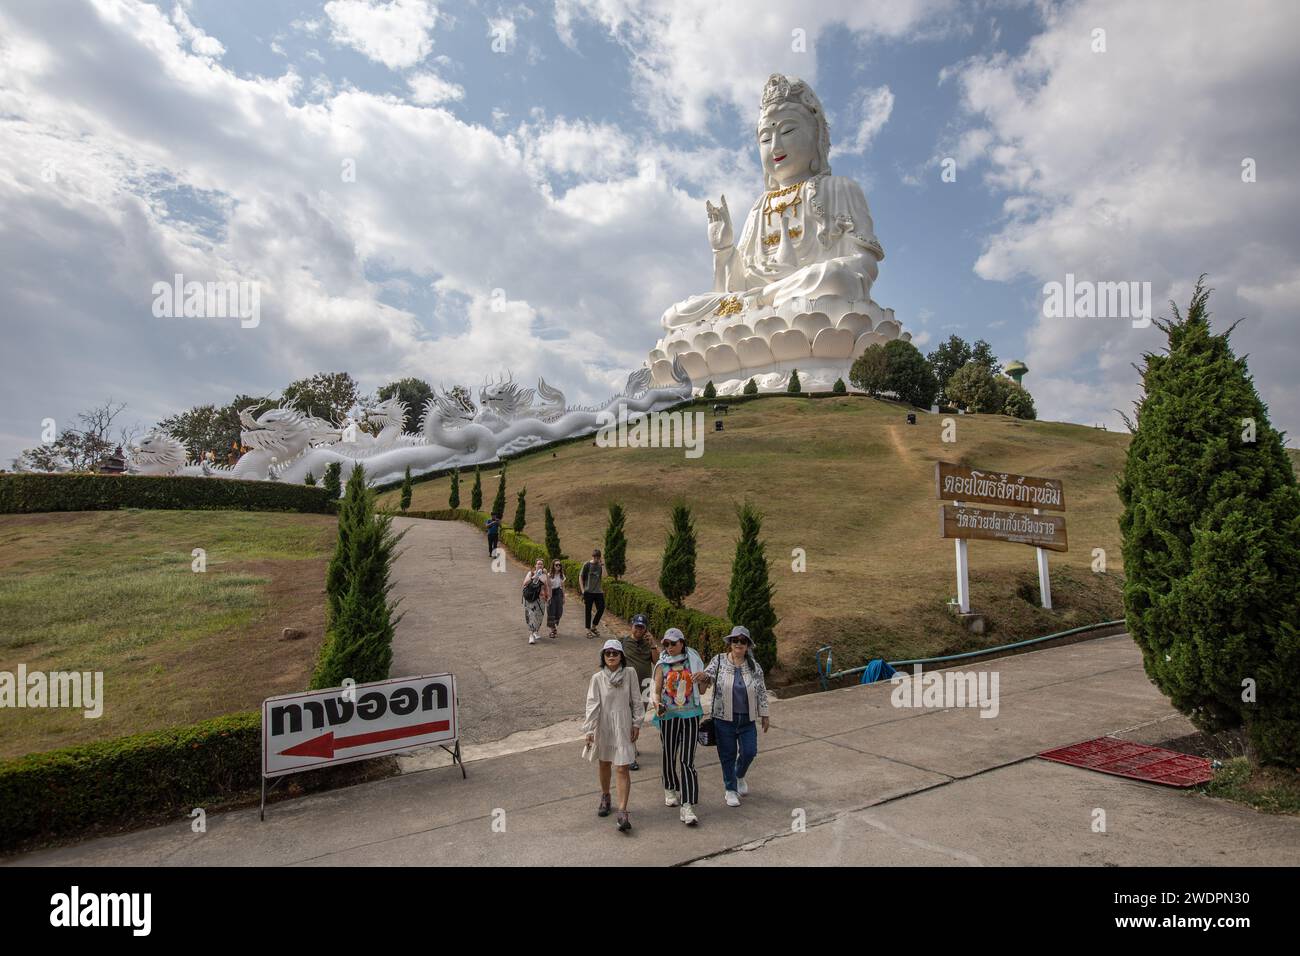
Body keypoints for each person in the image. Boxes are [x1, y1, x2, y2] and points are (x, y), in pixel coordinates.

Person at [703, 625, 770, 807]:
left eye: (742, 641)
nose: (738, 644)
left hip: (747, 719)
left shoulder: (754, 666)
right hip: (723, 718)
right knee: (728, 754)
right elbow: (707, 676)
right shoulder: (719, 661)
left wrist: (764, 714)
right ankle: (730, 789)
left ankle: (739, 774)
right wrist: (702, 677)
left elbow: (762, 691)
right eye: (735, 641)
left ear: (748, 645)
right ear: (730, 644)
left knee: (749, 751)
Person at [583, 639, 644, 833]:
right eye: (607, 653)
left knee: (622, 767)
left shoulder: (630, 674)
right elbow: (592, 705)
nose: (611, 656)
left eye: (615, 653)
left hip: (623, 724)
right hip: (604, 725)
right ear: (603, 656)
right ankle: (605, 795)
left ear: (621, 656)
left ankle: (623, 810)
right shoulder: (597, 678)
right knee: (604, 763)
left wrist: (637, 723)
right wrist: (589, 730)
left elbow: (636, 699)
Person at [652, 627, 708, 825]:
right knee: (669, 752)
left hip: (691, 715)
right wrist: (656, 703)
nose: (669, 647)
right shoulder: (661, 664)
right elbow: (656, 690)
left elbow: (701, 691)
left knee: (687, 759)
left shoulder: (693, 661)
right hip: (669, 716)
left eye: (673, 643)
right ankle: (669, 786)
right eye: (665, 644)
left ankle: (687, 805)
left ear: (682, 643)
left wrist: (704, 679)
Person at [620, 613, 658, 771]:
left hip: (645, 686)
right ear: (632, 626)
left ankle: (632, 745)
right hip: (628, 688)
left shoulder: (647, 644)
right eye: (637, 626)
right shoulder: (622, 642)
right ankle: (629, 755)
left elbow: (657, 661)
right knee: (629, 719)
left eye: (642, 627)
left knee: (638, 718)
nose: (639, 630)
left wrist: (654, 645)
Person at [522, 558, 550, 645]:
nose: (540, 565)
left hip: (541, 599)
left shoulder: (544, 575)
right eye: (538, 564)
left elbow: (546, 587)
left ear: (543, 566)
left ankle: (536, 631)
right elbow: (525, 583)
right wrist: (534, 577)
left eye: (541, 564)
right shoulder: (531, 573)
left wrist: (547, 596)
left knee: (540, 616)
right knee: (532, 616)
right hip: (531, 599)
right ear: (535, 565)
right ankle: (531, 635)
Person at [580, 549, 606, 638]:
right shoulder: (587, 565)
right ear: (592, 556)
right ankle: (588, 630)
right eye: (595, 557)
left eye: (598, 557)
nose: (596, 559)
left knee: (601, 608)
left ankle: (594, 627)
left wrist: (603, 566)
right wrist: (583, 590)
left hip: (598, 591)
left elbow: (604, 577)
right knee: (588, 611)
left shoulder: (600, 566)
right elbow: (580, 577)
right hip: (588, 592)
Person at [545, 559, 565, 639]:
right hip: (551, 593)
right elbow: (547, 586)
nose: (558, 566)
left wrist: (564, 597)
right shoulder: (549, 575)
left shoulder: (561, 575)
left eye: (559, 565)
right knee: (551, 612)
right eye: (556, 565)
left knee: (559, 611)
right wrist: (547, 596)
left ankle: (554, 626)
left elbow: (563, 587)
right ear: (553, 566)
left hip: (559, 593)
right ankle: (553, 630)